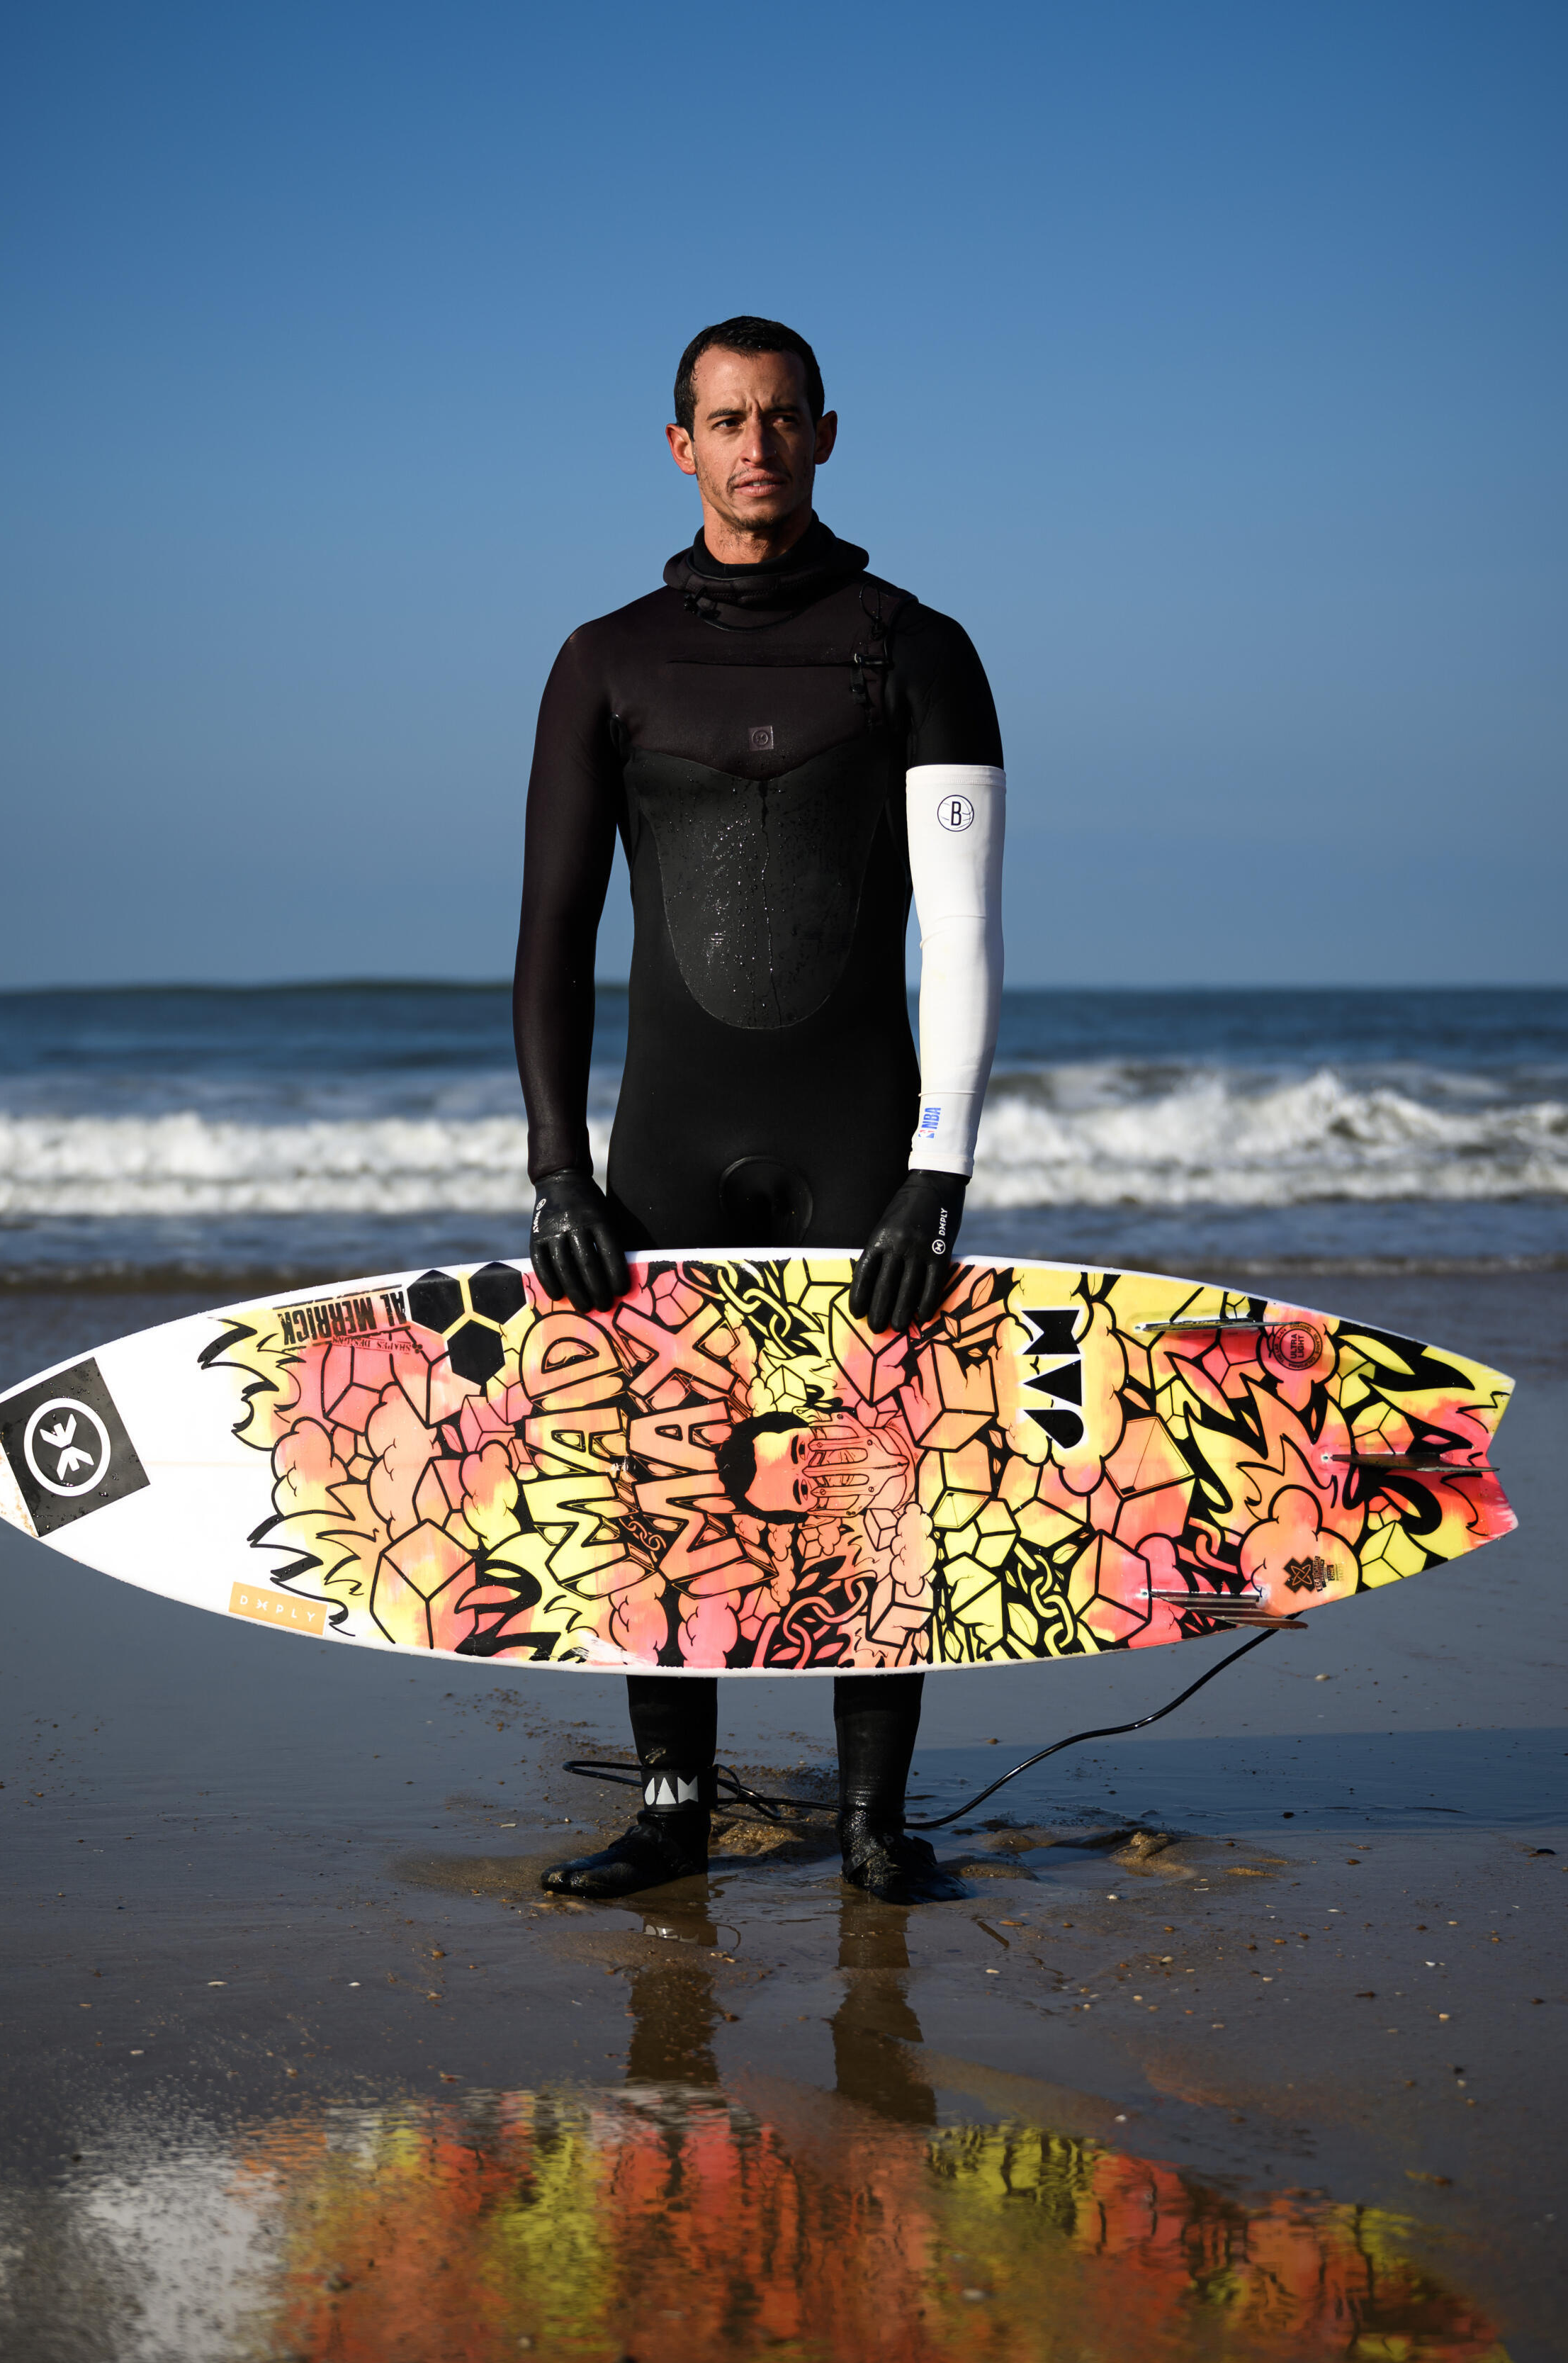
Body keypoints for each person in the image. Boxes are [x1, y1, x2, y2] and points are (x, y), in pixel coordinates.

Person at [513, 315, 1004, 1904]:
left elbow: (967, 935)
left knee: (878, 1465)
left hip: (859, 1131)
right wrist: (555, 1176)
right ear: (680, 446)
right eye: (725, 420)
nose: (756, 447)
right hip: (668, 1143)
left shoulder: (919, 649)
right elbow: (550, 937)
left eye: (783, 419)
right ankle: (671, 1809)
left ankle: (874, 1823)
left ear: (827, 434)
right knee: (660, 1469)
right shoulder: (606, 661)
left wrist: (938, 1171)